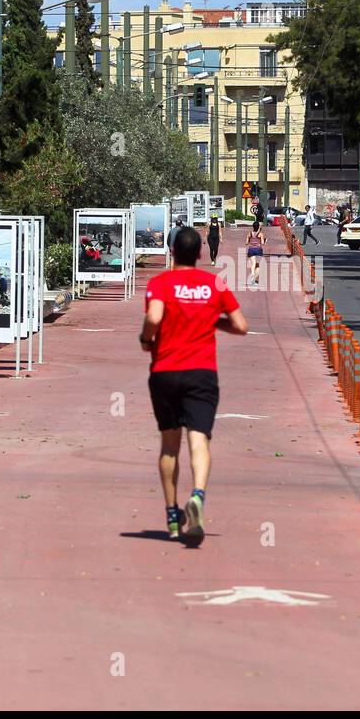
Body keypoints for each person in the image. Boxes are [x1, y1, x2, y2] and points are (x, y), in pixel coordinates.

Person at [140, 226, 249, 542]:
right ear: (200, 254)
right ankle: (198, 495)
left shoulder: (160, 283)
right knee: (199, 440)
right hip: (202, 372)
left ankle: (173, 515)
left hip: (165, 372)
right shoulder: (214, 283)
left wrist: (146, 339)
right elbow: (241, 326)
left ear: (173, 251)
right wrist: (213, 320)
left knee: (169, 445)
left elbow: (154, 319)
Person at [246, 220, 266, 287]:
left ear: (253, 227)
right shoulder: (260, 234)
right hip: (258, 250)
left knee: (253, 263)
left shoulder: (249, 233)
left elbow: (246, 243)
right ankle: (254, 279)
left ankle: (252, 275)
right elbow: (262, 243)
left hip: (251, 250)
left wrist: (250, 241)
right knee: (257, 265)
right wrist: (264, 240)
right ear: (258, 227)